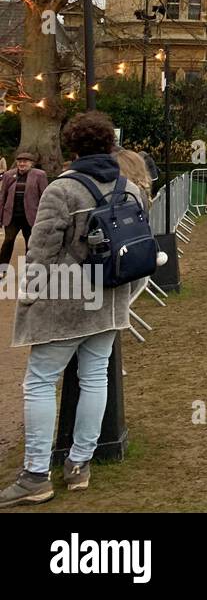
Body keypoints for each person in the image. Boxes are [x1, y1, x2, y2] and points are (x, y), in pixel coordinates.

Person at [0, 112, 149, 507]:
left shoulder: (61, 190)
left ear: (72, 147)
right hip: (109, 300)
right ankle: (79, 463)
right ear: (109, 145)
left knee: (40, 381)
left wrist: (29, 297)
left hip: (63, 305)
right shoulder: (130, 187)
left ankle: (35, 473)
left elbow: (41, 251)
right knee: (95, 376)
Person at [1, 151, 47, 272]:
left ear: (31, 163)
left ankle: (29, 270)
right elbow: (2, 197)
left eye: (25, 161)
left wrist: (44, 217)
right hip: (12, 216)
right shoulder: (8, 175)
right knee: (8, 241)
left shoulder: (40, 175)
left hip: (31, 216)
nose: (22, 163)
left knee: (30, 244)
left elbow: (44, 197)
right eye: (19, 161)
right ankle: (2, 269)